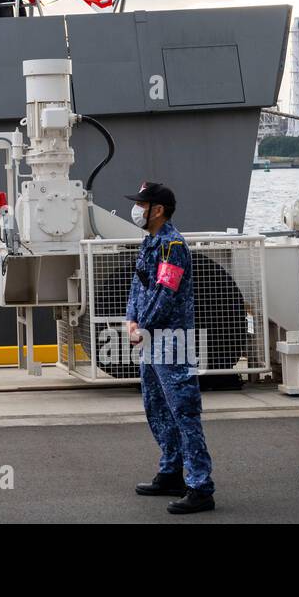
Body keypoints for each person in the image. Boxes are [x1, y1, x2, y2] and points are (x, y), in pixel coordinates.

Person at [124, 181, 215, 515]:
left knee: (184, 412)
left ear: (157, 210)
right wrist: (132, 320)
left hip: (172, 340)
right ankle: (171, 471)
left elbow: (166, 291)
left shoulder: (172, 245)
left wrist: (142, 324)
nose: (137, 210)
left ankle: (200, 486)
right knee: (156, 406)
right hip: (151, 338)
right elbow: (138, 284)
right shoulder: (150, 243)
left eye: (142, 204)